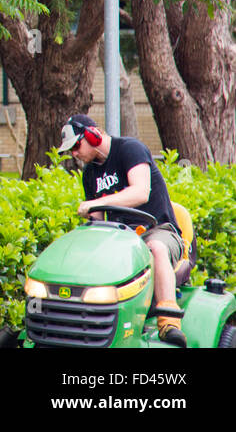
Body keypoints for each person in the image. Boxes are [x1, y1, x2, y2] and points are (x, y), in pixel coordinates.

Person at [56, 114, 188, 347]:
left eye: (76, 145)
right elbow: (96, 222)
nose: (74, 154)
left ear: (93, 135)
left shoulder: (130, 149)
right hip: (121, 240)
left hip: (158, 230)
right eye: (70, 150)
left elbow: (140, 192)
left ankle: (168, 322)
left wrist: (96, 203)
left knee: (155, 248)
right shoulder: (90, 174)